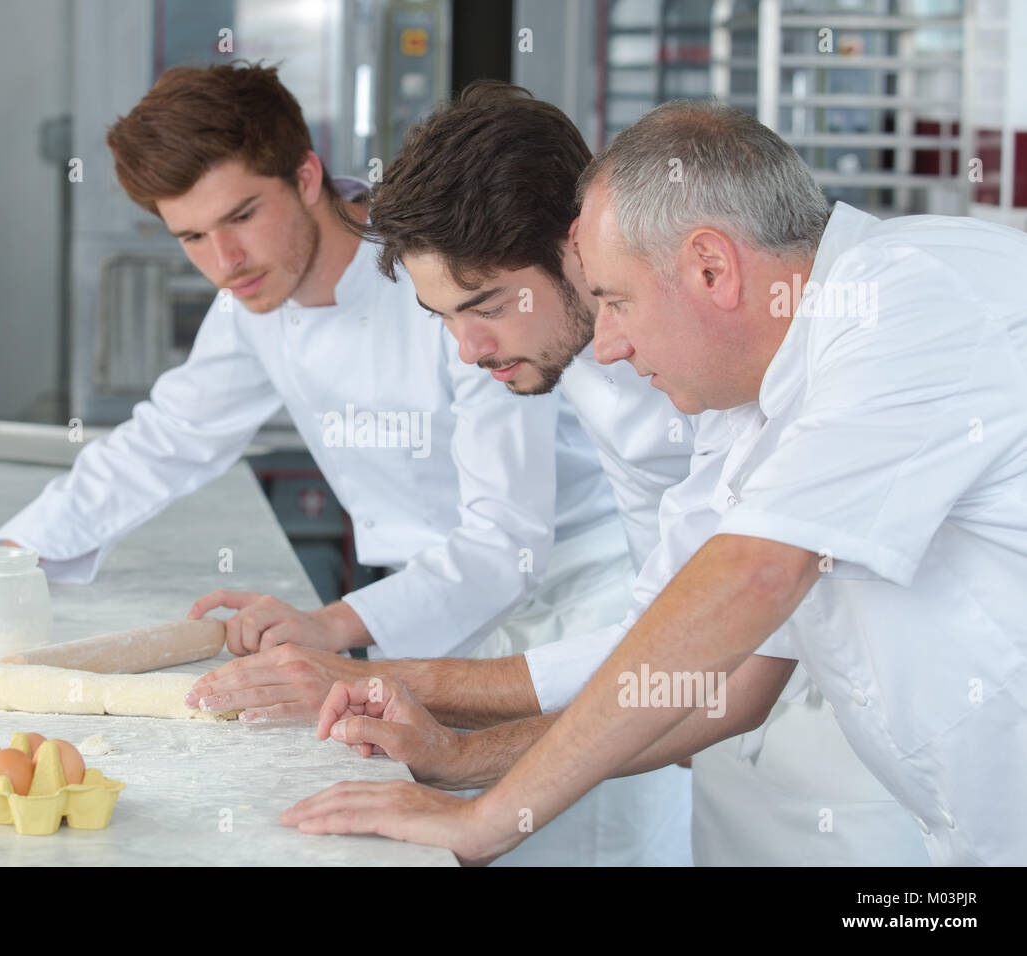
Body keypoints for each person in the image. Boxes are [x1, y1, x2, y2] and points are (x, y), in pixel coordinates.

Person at [0, 63, 690, 865]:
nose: (225, 259)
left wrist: (331, 627)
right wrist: (1, 561)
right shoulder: (257, 300)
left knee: (587, 843)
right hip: (446, 619)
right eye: (191, 236)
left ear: (305, 176)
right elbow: (166, 439)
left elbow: (502, 544)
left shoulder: (447, 279)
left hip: (585, 604)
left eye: (242, 215)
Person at [280, 99, 1027, 867]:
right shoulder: (747, 405)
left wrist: (487, 819)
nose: (608, 344)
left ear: (711, 266)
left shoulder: (907, 302)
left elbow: (753, 577)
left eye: (615, 299)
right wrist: (452, 759)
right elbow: (715, 676)